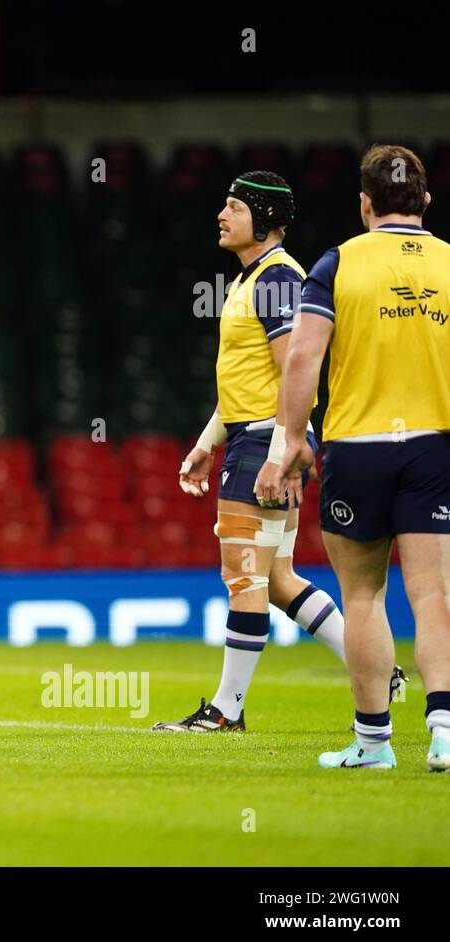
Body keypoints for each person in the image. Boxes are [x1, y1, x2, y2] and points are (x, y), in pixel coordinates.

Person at [154, 171, 391, 732]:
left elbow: (295, 369)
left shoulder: (280, 279)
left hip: (266, 439)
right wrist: (206, 443)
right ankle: (382, 670)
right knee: (279, 577)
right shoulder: (252, 280)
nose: (221, 215)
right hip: (255, 435)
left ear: (261, 221)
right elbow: (248, 379)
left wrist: (284, 446)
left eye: (233, 207)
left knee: (244, 576)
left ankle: (225, 712)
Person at [257, 145, 450, 770]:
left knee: (363, 597)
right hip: (434, 446)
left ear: (364, 203)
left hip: (358, 448)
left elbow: (305, 357)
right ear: (423, 201)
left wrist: (288, 442)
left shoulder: (336, 263)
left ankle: (374, 744)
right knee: (433, 595)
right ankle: (445, 733)